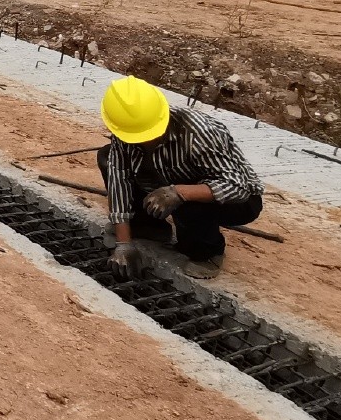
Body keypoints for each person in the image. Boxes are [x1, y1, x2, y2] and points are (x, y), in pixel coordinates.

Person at [98, 75, 263, 280]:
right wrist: (123, 244)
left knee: (191, 205)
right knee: (106, 157)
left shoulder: (199, 133)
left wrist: (180, 192)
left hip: (236, 197)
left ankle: (207, 252)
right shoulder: (125, 133)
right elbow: (118, 180)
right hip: (166, 179)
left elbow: (239, 186)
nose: (145, 140)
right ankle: (149, 226)